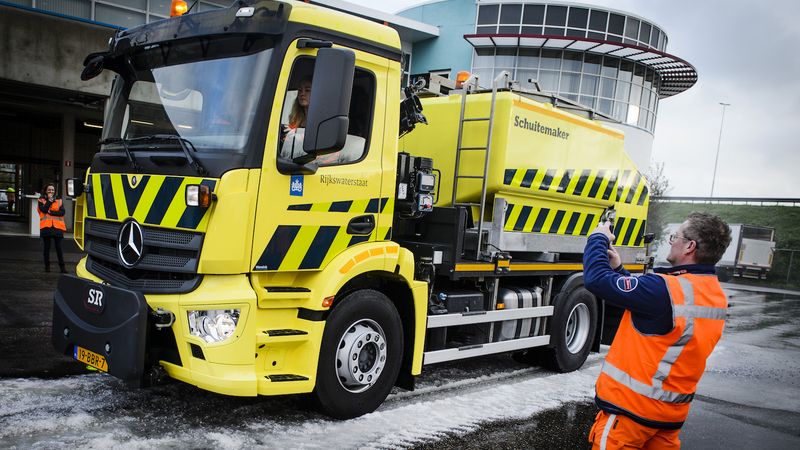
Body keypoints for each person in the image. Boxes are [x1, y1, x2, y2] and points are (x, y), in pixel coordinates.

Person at [583, 212, 732, 449]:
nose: (671, 242)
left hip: (630, 416)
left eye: (676, 237)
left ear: (690, 246)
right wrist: (619, 270)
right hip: (668, 419)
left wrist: (598, 238)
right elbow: (659, 316)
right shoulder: (715, 296)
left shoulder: (664, 289)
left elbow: (596, 279)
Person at [38, 183, 67, 273]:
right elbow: (43, 210)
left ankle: (62, 268)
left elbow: (62, 212)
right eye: (49, 190)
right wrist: (49, 201)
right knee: (47, 248)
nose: (51, 191)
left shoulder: (59, 200)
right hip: (46, 227)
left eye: (53, 190)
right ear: (46, 191)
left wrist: (51, 213)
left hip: (57, 227)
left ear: (55, 191)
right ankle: (47, 267)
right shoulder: (41, 200)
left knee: (59, 248)